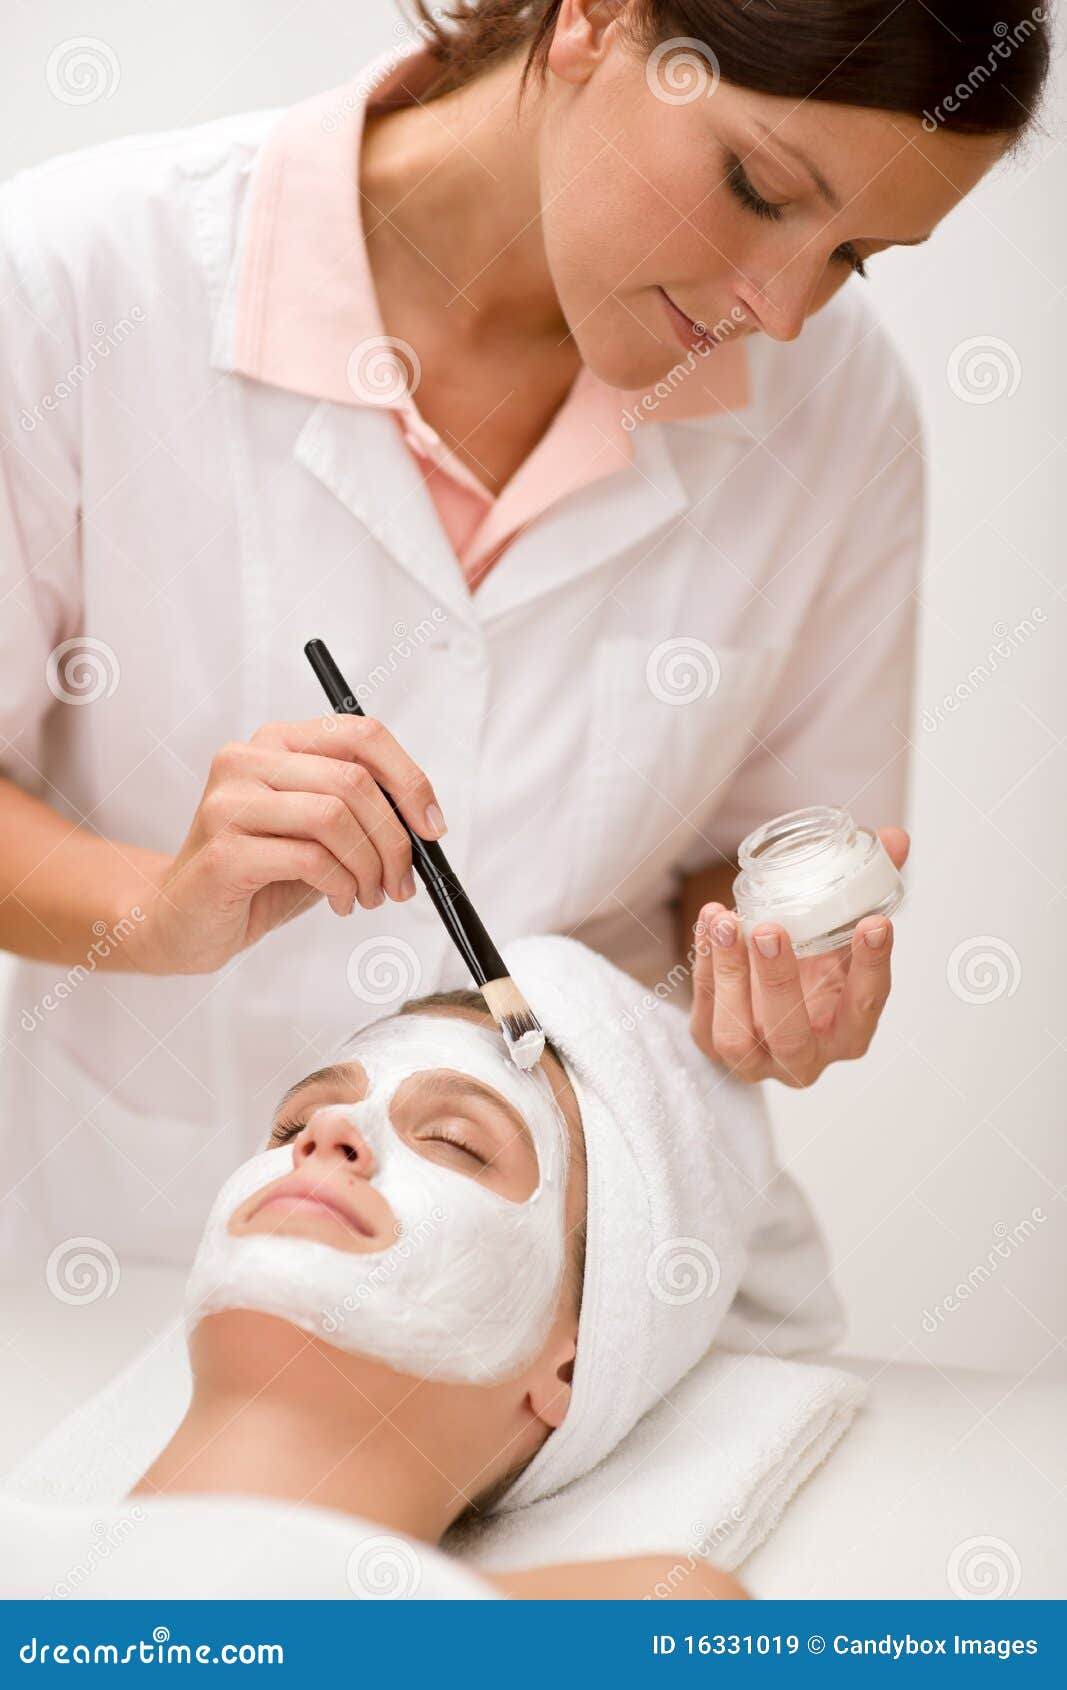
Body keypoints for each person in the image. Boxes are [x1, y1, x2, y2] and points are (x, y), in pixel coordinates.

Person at [0, 3, 1050, 1271]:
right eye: (758, 185)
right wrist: (155, 910)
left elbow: (750, 864)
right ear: (596, 21)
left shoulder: (838, 407)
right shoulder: (75, 280)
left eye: (854, 257)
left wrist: (772, 979)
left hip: (589, 1278)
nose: (777, 312)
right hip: (138, 1251)